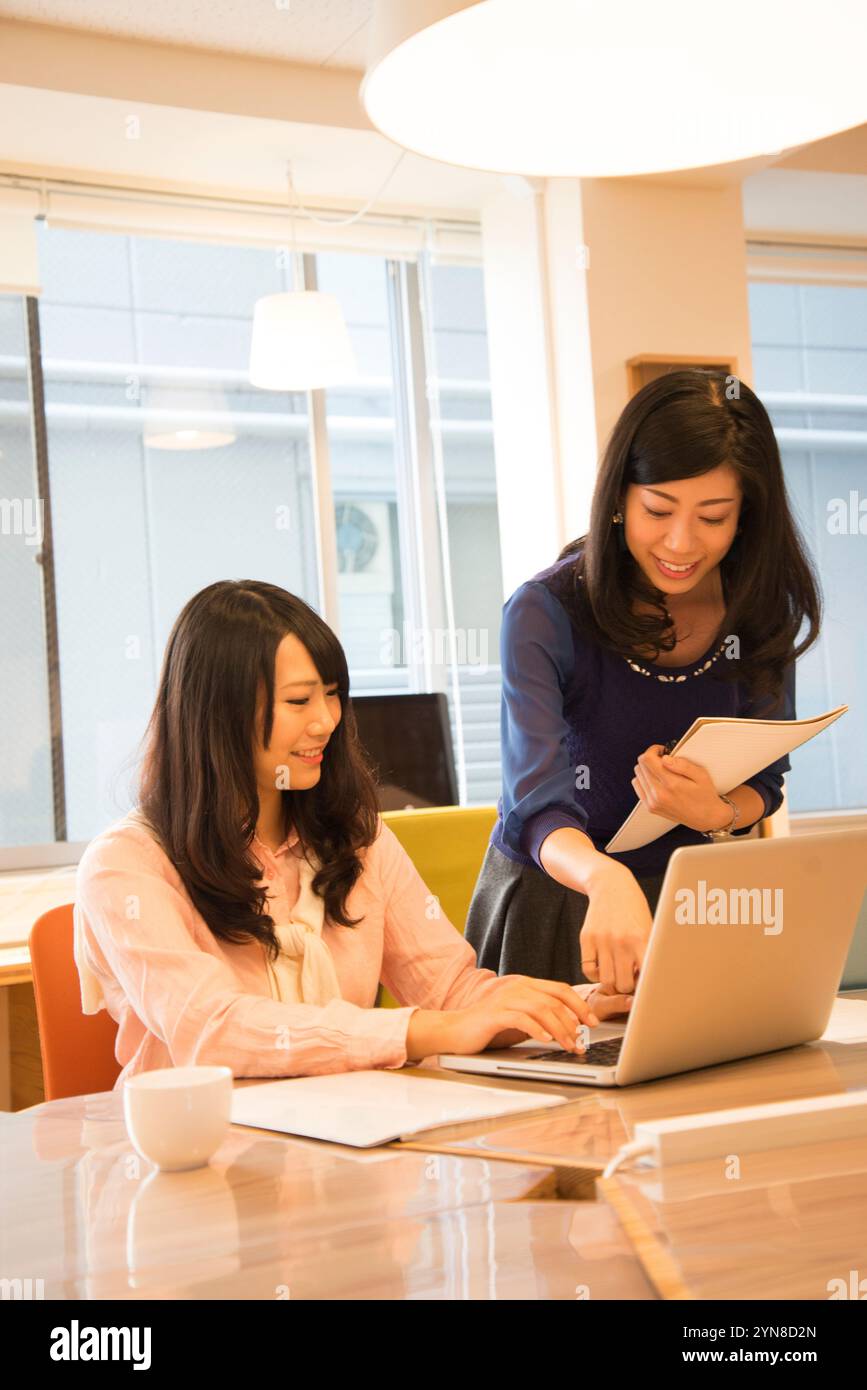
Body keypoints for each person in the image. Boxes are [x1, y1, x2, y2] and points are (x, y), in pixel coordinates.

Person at [74, 581, 634, 1089]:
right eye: (299, 701)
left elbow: (450, 992)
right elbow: (211, 1030)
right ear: (216, 712)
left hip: (350, 1137)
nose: (326, 720)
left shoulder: (358, 838)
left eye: (333, 694)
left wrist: (577, 1005)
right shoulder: (127, 865)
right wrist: (419, 1033)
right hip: (204, 1160)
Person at [465, 369, 822, 994]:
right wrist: (606, 878)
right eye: (658, 510)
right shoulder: (545, 612)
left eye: (713, 518)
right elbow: (536, 811)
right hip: (563, 897)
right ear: (619, 499)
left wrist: (718, 811)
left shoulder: (760, 608)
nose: (681, 543)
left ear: (747, 519)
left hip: (695, 899)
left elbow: (765, 781)